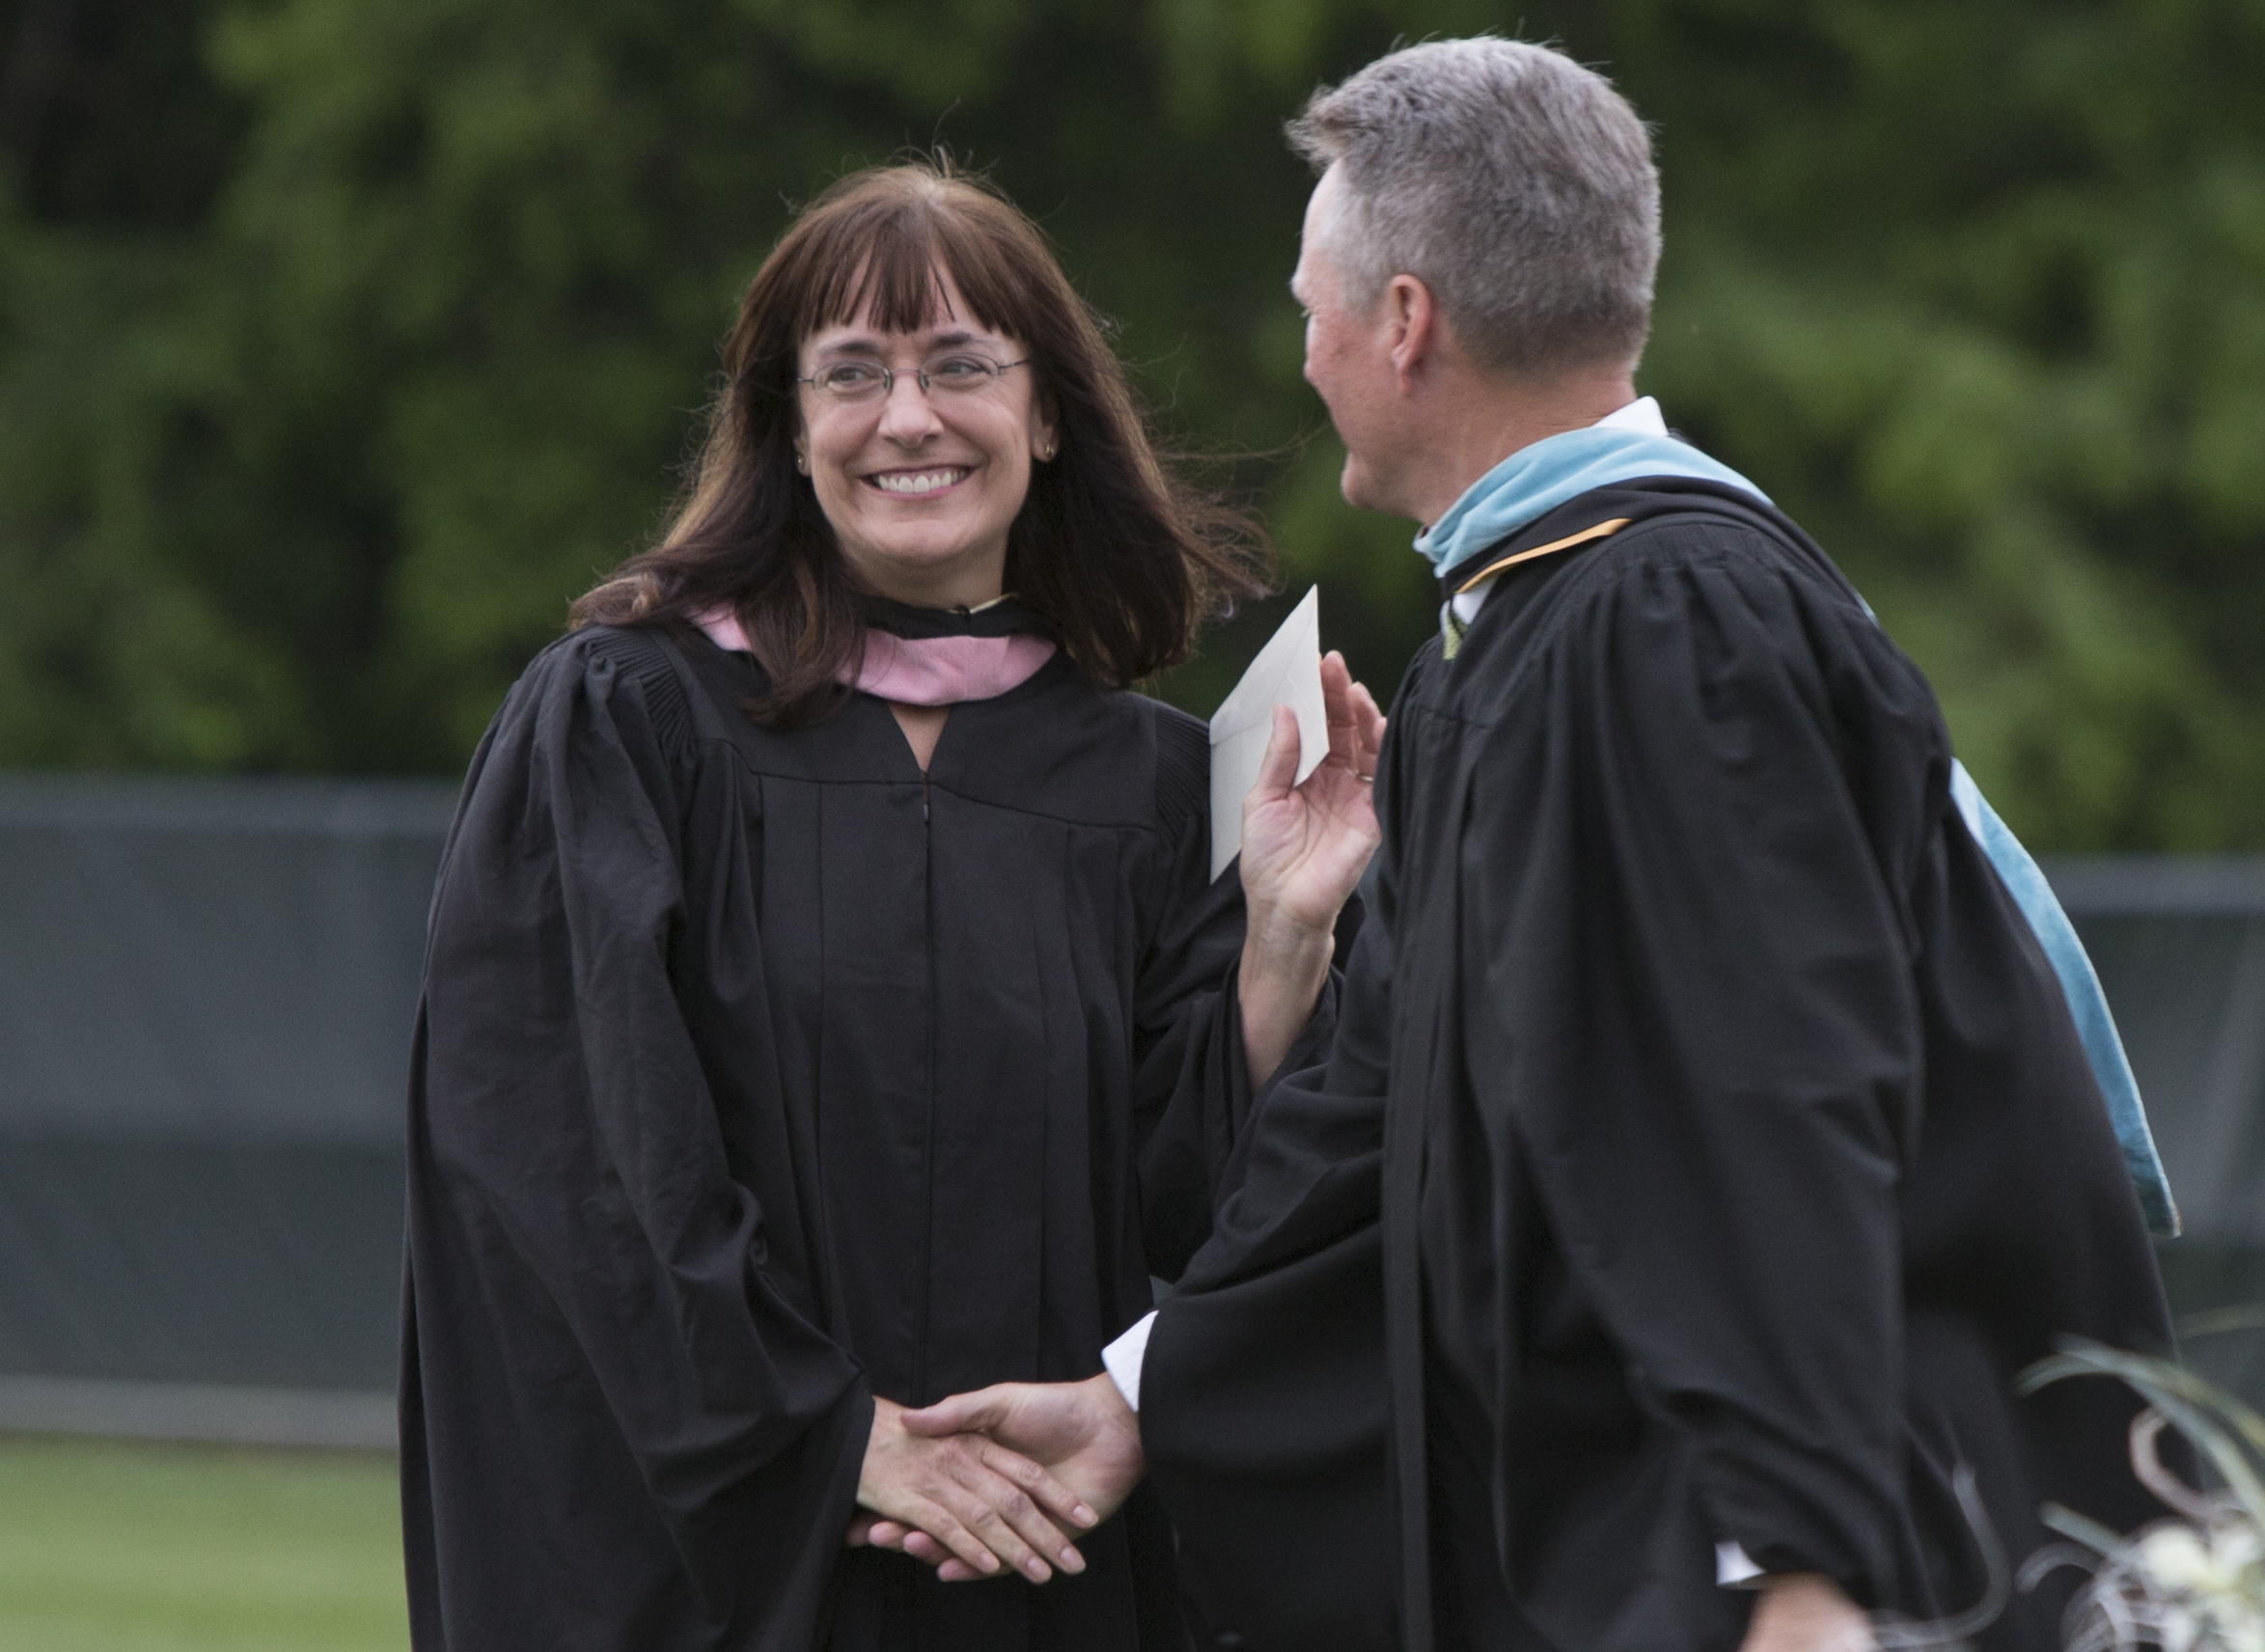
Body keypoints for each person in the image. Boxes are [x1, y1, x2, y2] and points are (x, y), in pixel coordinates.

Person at [886, 40, 2185, 1652]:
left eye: (1314, 308)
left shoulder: (1668, 626)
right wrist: (1142, 1395)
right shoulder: (1518, 638)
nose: (1304, 357)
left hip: (1801, 1583)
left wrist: (1804, 1563)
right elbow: (1375, 1117)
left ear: (1407, 321)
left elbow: (1776, 1098)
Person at [397, 160, 1384, 1652]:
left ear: (1047, 416)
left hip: (1031, 1563)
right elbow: (565, 1149)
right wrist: (836, 1433)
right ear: (790, 433)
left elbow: (1197, 1200)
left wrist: (1284, 937)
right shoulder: (629, 727)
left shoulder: (1154, 790)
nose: (907, 418)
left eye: (960, 367)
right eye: (851, 374)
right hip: (718, 1553)